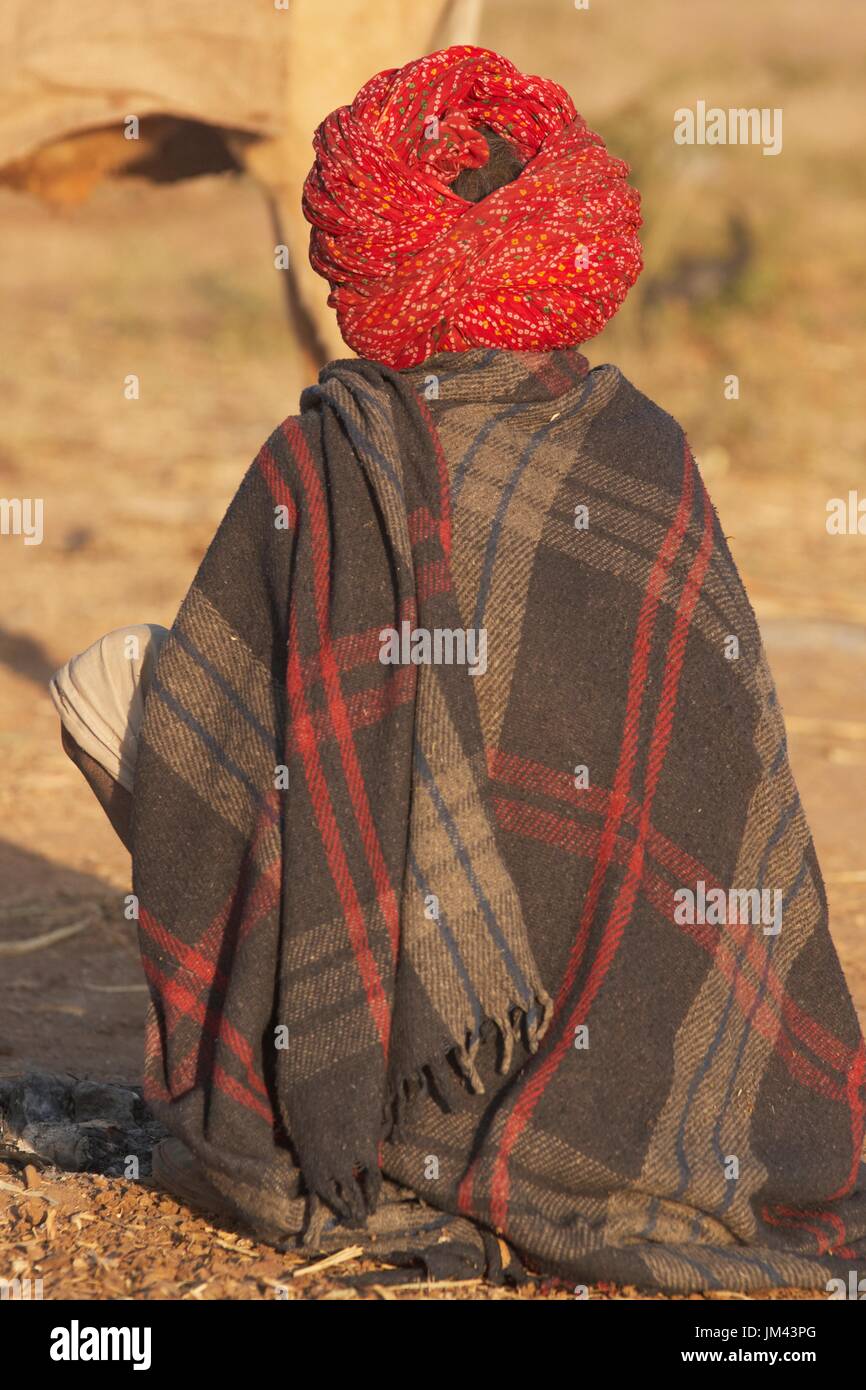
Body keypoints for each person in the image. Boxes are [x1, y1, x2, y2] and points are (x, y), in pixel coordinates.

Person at [52, 45, 866, 1293]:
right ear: (563, 240)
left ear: (365, 254)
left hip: (369, 1074)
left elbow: (241, 713)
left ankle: (337, 1076)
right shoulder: (643, 451)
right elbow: (722, 784)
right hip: (647, 1090)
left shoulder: (321, 458)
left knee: (113, 682)